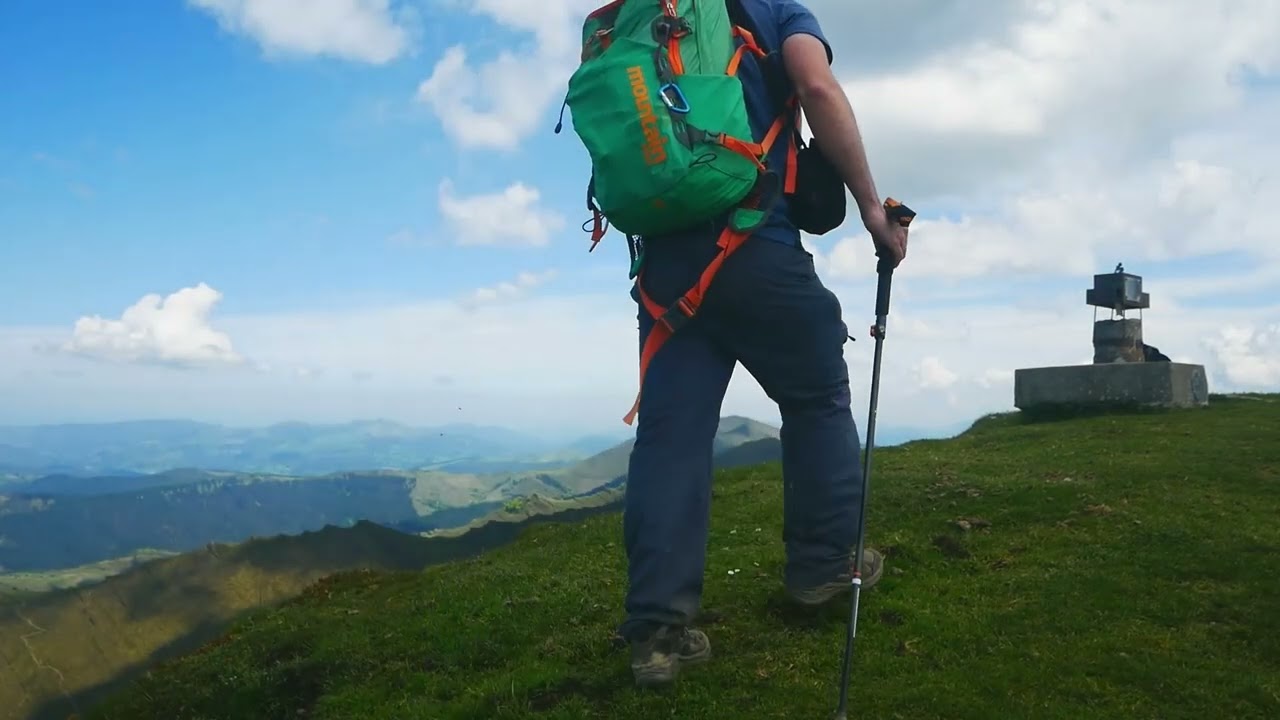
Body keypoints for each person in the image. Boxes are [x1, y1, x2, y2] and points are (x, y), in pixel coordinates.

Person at [617, 0, 910, 688]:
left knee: (671, 437)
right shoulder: (773, 8)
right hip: (754, 241)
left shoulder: (636, 18)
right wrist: (872, 207)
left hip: (667, 270)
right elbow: (816, 86)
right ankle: (824, 565)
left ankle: (656, 633)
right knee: (816, 393)